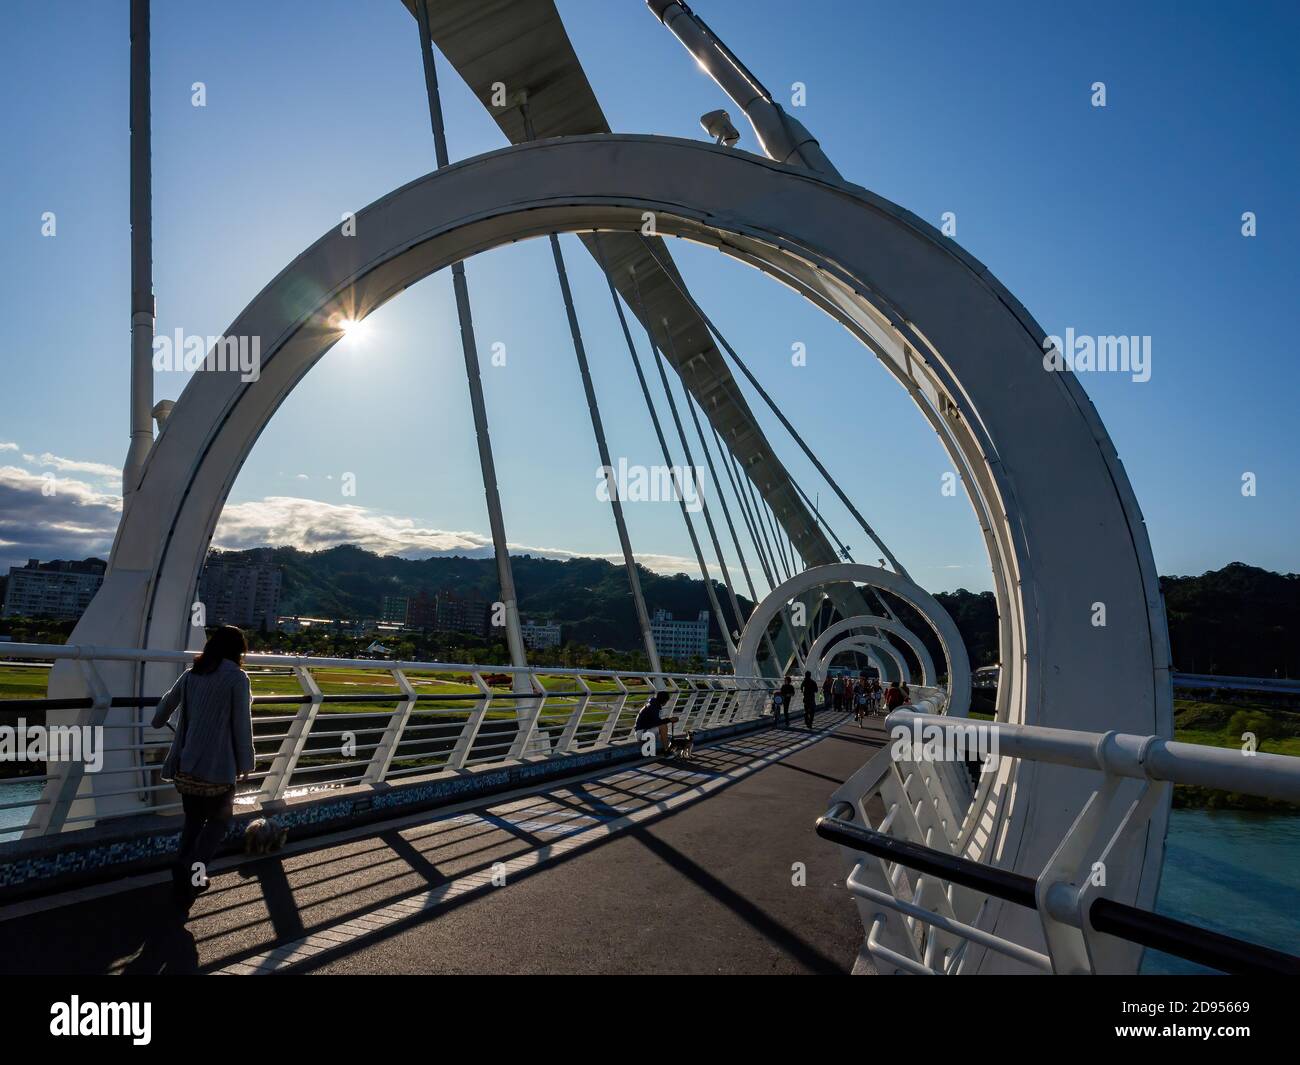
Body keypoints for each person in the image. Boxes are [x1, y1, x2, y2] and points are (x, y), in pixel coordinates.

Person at [152, 624, 255, 904]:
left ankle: (182, 865)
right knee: (219, 822)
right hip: (218, 768)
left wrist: (159, 720)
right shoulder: (237, 678)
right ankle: (194, 871)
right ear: (238, 651)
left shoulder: (191, 675)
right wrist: (246, 761)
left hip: (187, 764)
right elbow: (241, 725)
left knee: (194, 820)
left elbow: (163, 711)